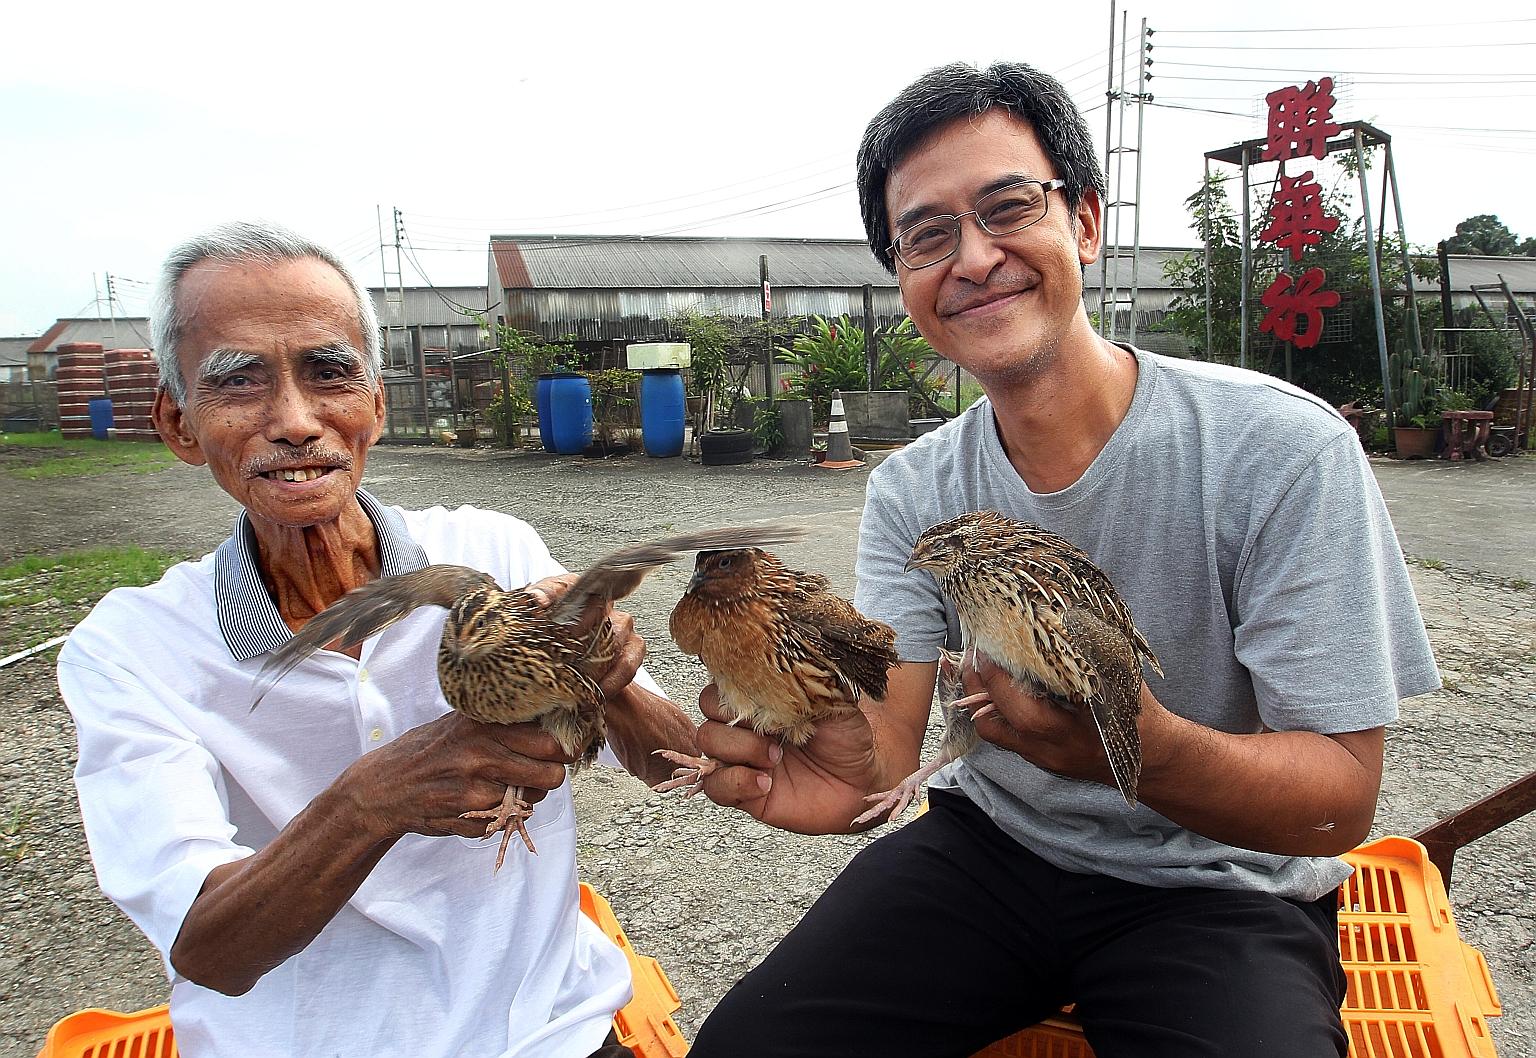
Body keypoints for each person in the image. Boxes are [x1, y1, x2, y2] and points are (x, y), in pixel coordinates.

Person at [687, 63, 1439, 1057]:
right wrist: (834, 776)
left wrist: (1138, 746)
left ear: (1084, 221)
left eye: (1008, 208)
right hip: (992, 847)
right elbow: (890, 740)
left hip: (1220, 878)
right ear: (904, 277)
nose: (974, 258)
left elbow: (1339, 800)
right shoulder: (914, 489)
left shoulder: (1280, 449)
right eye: (927, 236)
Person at [57, 222, 697, 1058]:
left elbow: (674, 764)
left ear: (377, 404)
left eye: (329, 373)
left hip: (550, 1036)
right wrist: (372, 800)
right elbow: (209, 947)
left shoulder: (494, 550)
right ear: (180, 424)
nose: (296, 422)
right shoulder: (132, 647)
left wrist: (600, 677)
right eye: (239, 381)